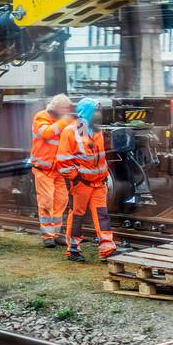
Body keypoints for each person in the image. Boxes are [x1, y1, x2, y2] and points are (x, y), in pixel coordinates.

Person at [56, 98, 117, 262]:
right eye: (95, 111)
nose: (98, 115)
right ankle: (73, 249)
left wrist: (103, 178)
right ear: (87, 113)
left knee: (102, 216)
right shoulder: (71, 131)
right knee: (77, 216)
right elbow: (62, 162)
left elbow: (99, 158)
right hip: (81, 184)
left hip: (98, 183)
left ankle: (107, 249)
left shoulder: (95, 131)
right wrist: (76, 178)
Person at [30, 94, 74, 248]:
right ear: (57, 109)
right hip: (43, 169)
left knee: (61, 201)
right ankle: (47, 236)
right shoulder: (40, 117)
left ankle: (56, 233)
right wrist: (65, 121)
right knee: (47, 202)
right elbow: (47, 133)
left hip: (57, 170)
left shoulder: (60, 122)